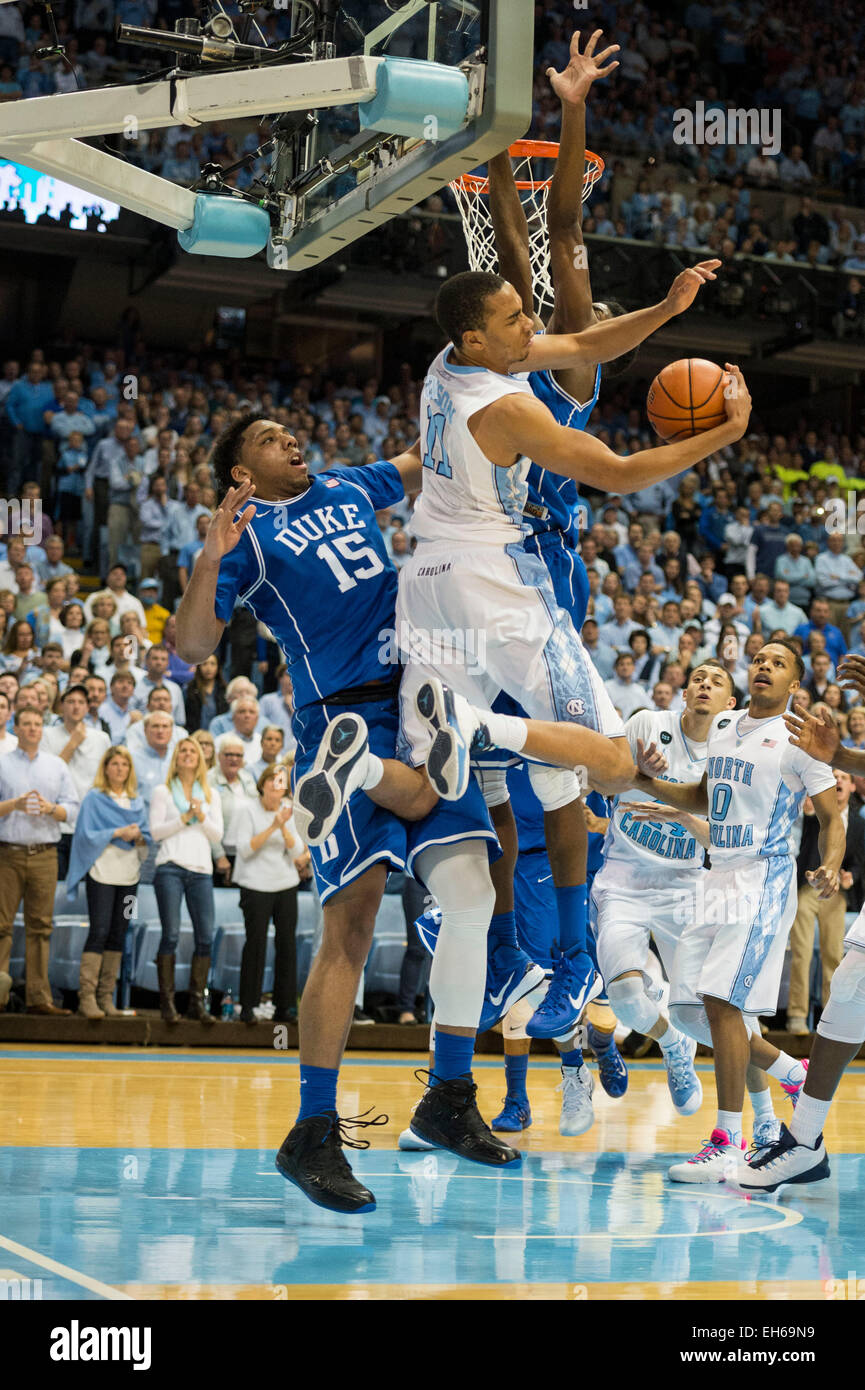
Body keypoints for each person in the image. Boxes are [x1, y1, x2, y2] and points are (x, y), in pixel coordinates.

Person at [592, 661, 737, 1123]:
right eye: (698, 677)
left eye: (716, 682)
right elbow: (598, 780)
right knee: (626, 999)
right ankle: (673, 1046)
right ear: (684, 689)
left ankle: (759, 1111)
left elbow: (728, 839)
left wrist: (679, 810)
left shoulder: (733, 758)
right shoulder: (646, 725)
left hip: (685, 885)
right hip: (624, 878)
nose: (704, 684)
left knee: (701, 1008)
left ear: (730, 705)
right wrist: (629, 769)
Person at [0, 706, 79, 1014]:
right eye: (27, 723)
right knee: (1, 926)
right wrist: (14, 805)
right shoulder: (2, 763)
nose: (33, 728)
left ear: (42, 729)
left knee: (41, 927)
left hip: (45, 854)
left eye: (37, 724)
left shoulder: (56, 765)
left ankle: (38, 998)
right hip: (8, 852)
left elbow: (72, 809)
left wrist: (51, 809)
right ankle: (1, 995)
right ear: (16, 728)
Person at [66, 745, 150, 1018]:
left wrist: (138, 836)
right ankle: (86, 997)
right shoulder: (94, 798)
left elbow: (147, 838)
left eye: (124, 765)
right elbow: (85, 835)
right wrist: (117, 831)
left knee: (119, 931)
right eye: (114, 764)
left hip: (130, 876)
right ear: (105, 768)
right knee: (99, 929)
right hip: (101, 873)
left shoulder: (137, 801)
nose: (120, 769)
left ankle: (106, 998)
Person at [150, 735, 223, 1025]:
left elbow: (217, 835)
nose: (188, 754)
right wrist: (185, 817)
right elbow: (156, 832)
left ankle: (197, 1002)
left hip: (201, 870)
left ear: (201, 758)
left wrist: (200, 815)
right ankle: (167, 1004)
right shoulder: (163, 791)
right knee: (170, 934)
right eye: (183, 750)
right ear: (176, 758)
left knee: (205, 937)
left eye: (193, 751)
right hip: (170, 867)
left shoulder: (210, 793)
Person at [786, 769, 864, 1035]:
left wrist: (850, 876)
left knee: (833, 957)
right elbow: (802, 845)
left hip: (836, 896)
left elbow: (858, 863)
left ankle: (831, 1019)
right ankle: (797, 1016)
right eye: (835, 776)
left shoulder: (859, 823)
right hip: (807, 890)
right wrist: (808, 815)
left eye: (845, 777)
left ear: (853, 787)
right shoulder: (815, 810)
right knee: (801, 954)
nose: (839, 780)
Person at [232, 763, 310, 1024]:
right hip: (254, 884)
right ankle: (248, 1006)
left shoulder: (290, 811)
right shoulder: (247, 810)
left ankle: (283, 1006)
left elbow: (298, 851)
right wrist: (272, 827)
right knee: (255, 943)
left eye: (282, 784)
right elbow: (244, 849)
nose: (277, 788)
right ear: (263, 785)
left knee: (287, 944)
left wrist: (283, 826)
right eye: (272, 782)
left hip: (285, 883)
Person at [40, 682, 111, 881]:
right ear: (61, 706)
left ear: (88, 707)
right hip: (57, 826)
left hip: (89, 826)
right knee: (57, 889)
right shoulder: (46, 735)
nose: (76, 706)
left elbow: (107, 782)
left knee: (90, 890)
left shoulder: (102, 739)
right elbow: (47, 776)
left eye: (81, 702)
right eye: (70, 701)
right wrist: (72, 744)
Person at [208, 732, 257, 885]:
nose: (234, 759)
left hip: (244, 853)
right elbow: (205, 821)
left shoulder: (247, 778)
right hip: (217, 854)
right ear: (219, 756)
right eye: (229, 754)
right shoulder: (208, 779)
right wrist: (219, 855)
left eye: (238, 755)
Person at [183, 654, 229, 733]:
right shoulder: (190, 689)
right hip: (195, 735)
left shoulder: (224, 690)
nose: (208, 668)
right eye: (204, 664)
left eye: (212, 664)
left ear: (218, 667)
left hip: (219, 735)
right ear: (199, 667)